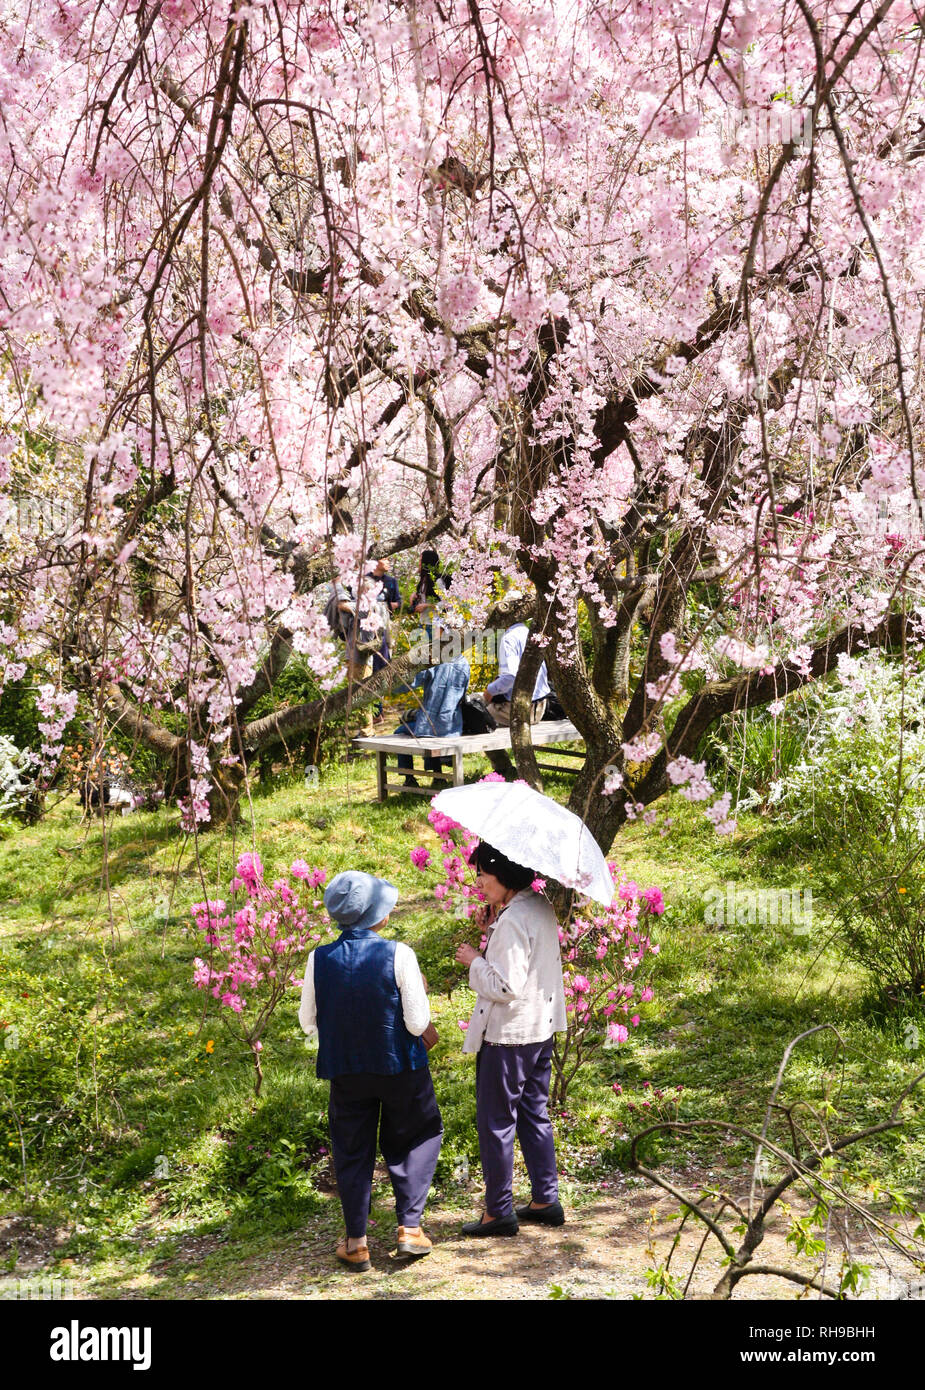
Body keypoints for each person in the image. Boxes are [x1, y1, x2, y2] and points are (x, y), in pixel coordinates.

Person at [299, 871, 442, 1270]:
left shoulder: (318, 958)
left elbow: (308, 1022)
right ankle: (410, 1230)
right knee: (415, 1136)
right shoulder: (400, 953)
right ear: (377, 915)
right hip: (401, 1067)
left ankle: (356, 1242)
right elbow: (417, 1024)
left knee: (351, 1149)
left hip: (346, 1071)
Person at [454, 842, 567, 1237]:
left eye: (484, 873)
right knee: (534, 1113)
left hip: (509, 1035)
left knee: (497, 1122)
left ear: (503, 874)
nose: (479, 881)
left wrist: (474, 959)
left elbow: (504, 986)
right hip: (541, 1028)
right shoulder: (539, 906)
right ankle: (544, 1198)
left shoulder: (514, 918)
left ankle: (498, 1211)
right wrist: (493, 930)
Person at [395, 654, 469, 786]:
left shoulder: (433, 660)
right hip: (453, 724)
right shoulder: (464, 663)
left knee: (400, 731)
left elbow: (408, 684)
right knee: (432, 730)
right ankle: (438, 776)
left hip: (429, 724)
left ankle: (409, 778)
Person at [484, 621, 550, 726]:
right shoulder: (530, 633)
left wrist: (489, 691)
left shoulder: (508, 638)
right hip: (540, 708)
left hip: (519, 712)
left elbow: (511, 676)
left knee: (475, 711)